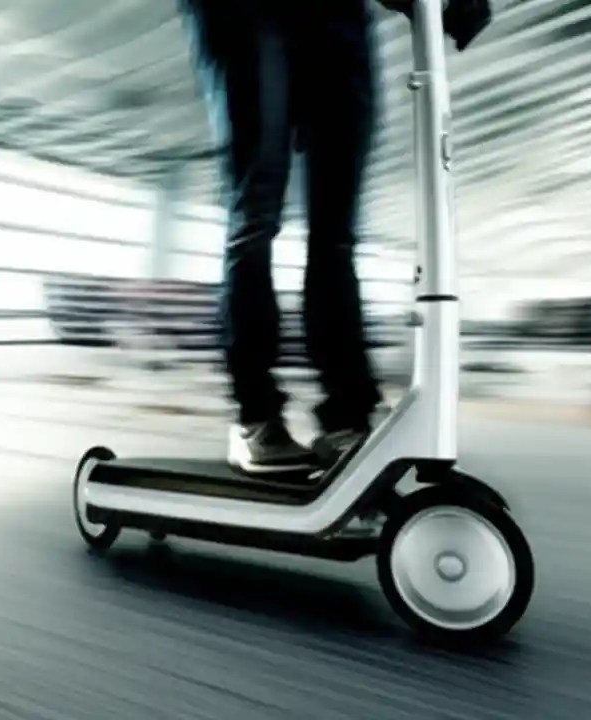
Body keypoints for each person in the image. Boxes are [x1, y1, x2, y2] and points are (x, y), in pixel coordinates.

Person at [177, 0, 385, 474]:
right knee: (257, 211)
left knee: (337, 231)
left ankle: (348, 415)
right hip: (248, 13)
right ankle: (257, 415)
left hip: (338, 16)